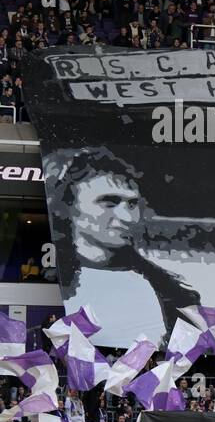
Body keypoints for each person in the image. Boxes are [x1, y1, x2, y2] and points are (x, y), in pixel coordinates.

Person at [44, 147, 199, 344]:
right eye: (109, 202)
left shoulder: (169, 291)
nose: (128, 217)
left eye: (132, 204)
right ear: (68, 205)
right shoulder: (53, 279)